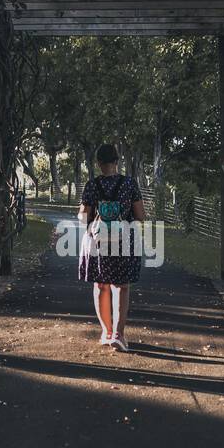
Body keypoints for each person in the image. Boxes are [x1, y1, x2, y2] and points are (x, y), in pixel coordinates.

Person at [78, 144, 145, 351]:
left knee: (101, 285)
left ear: (98, 163)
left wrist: (92, 216)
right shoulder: (129, 184)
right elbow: (141, 216)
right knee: (121, 286)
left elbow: (83, 218)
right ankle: (118, 334)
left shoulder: (91, 186)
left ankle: (106, 332)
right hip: (124, 241)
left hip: (98, 242)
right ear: (117, 161)